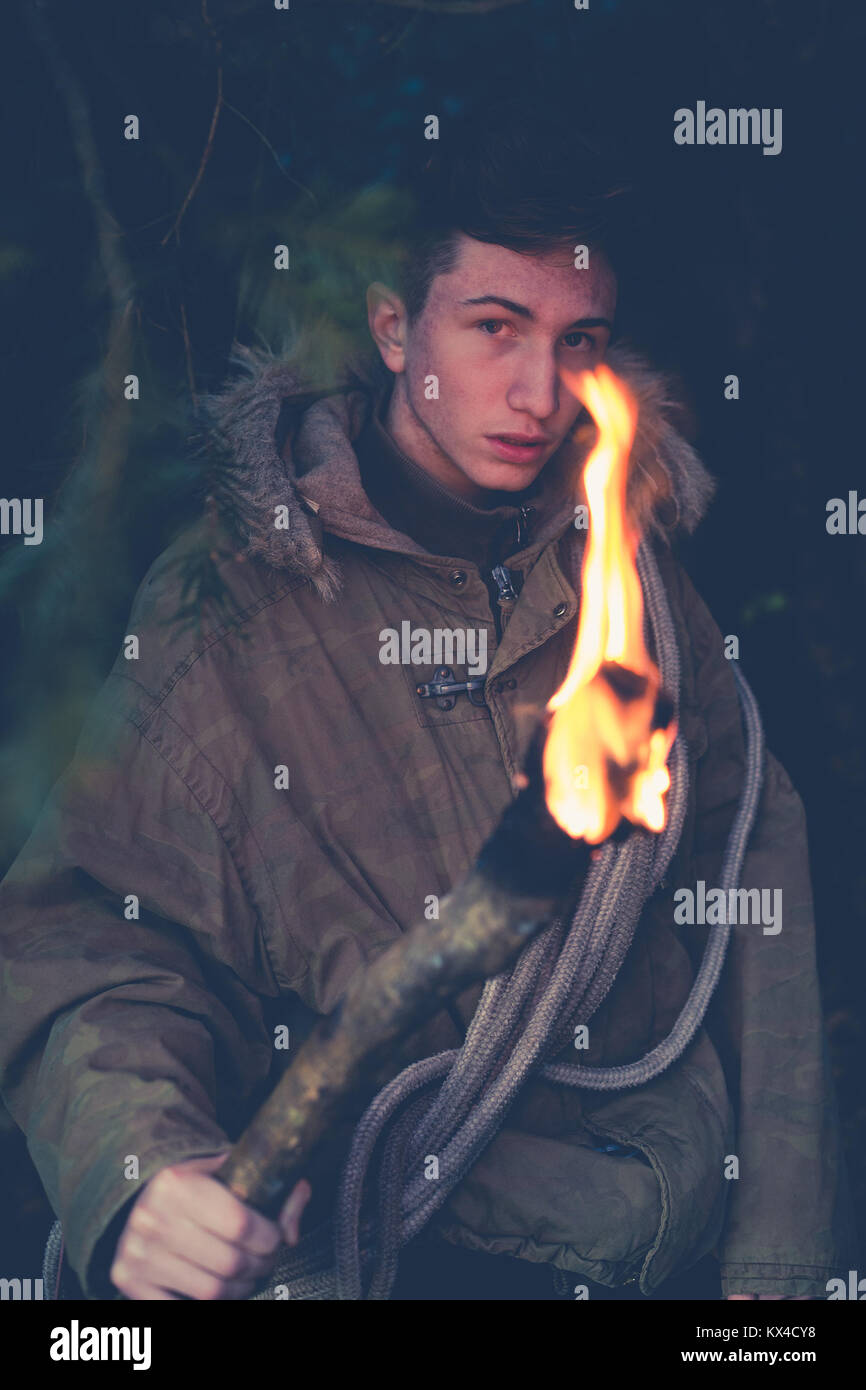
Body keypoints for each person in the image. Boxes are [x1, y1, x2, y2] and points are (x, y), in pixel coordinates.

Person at [0, 106, 853, 1301]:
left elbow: (755, 892)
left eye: (578, 339)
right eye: (494, 326)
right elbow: (91, 936)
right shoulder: (230, 609)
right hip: (391, 1247)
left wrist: (775, 1268)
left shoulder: (634, 582)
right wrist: (141, 1173)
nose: (538, 387)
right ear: (394, 327)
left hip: (668, 1240)